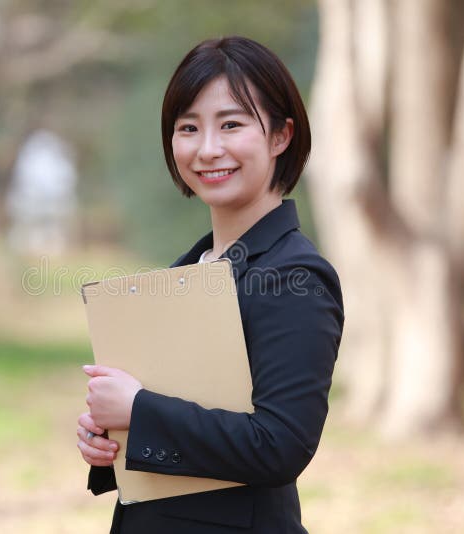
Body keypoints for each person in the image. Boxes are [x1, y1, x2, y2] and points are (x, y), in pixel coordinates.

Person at [76, 36, 344, 533]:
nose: (207, 149)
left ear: (281, 135)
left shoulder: (295, 276)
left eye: (231, 124)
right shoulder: (191, 272)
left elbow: (280, 446)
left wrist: (139, 409)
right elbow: (184, 421)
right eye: (188, 128)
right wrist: (109, 440)